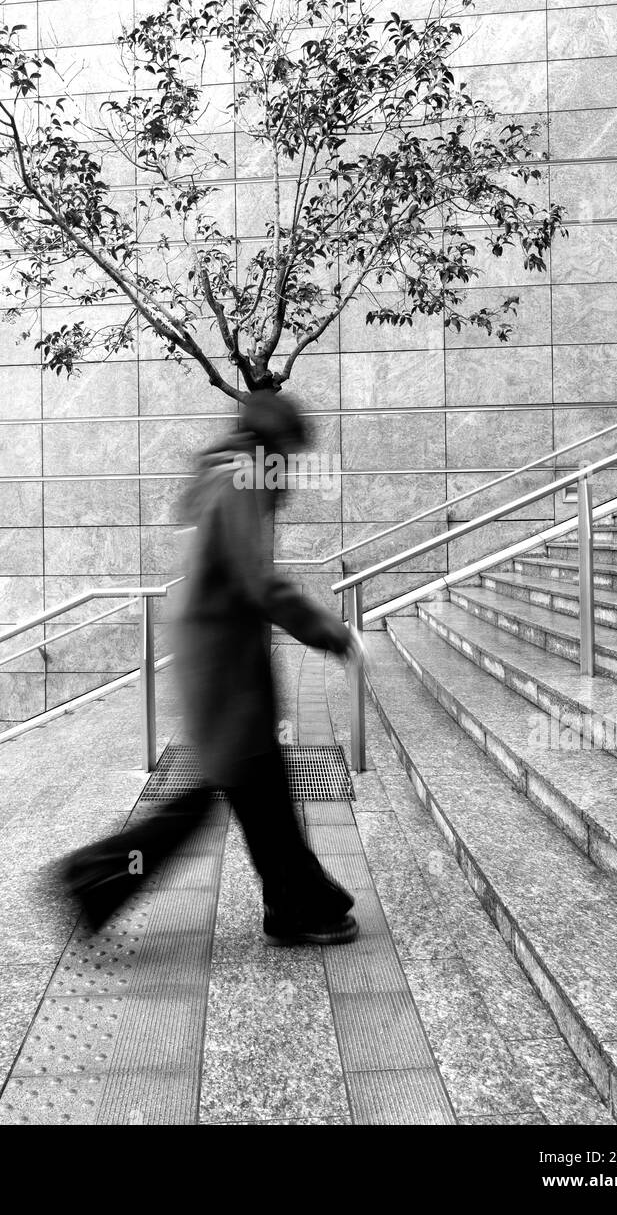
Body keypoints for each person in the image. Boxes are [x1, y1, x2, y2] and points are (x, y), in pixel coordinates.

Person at [55, 390, 363, 946]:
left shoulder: (231, 475)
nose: (292, 469)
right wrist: (327, 630)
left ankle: (294, 902)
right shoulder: (239, 483)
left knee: (253, 789)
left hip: (222, 658)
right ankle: (95, 875)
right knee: (246, 791)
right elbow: (256, 580)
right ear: (271, 446)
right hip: (226, 668)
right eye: (290, 454)